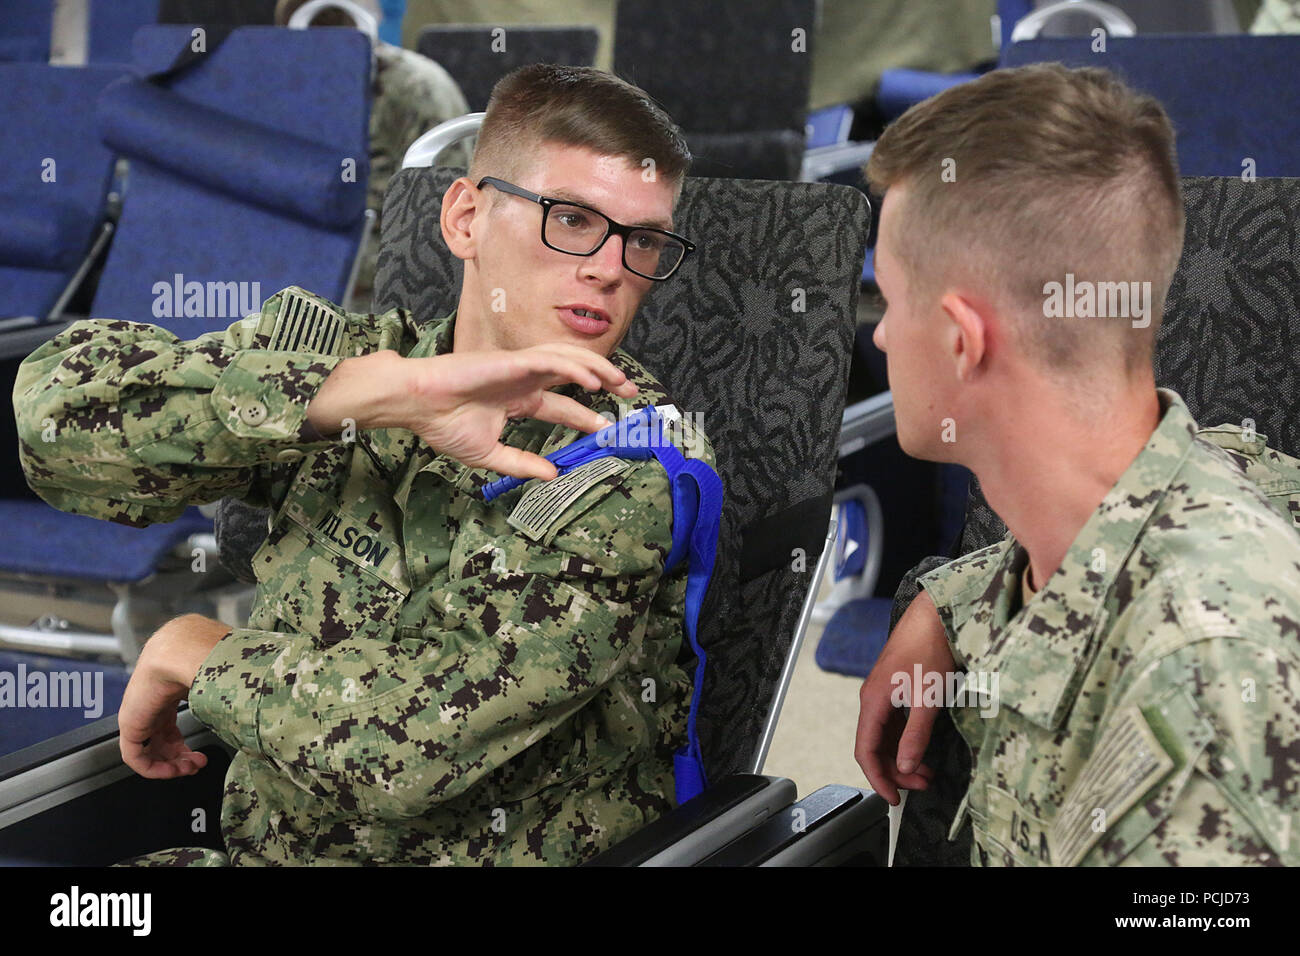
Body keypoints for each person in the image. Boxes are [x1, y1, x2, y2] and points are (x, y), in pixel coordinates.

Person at [14, 64, 710, 866]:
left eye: (644, 239)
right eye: (572, 220)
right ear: (466, 218)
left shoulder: (627, 465)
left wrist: (195, 648)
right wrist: (359, 395)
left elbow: (406, 753)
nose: (610, 266)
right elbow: (55, 425)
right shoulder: (350, 365)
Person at [852, 62, 1300, 866]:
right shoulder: (1073, 542)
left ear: (962, 339)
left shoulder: (1201, 669)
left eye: (888, 300)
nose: (880, 337)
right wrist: (949, 602)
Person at [274, 0, 474, 309]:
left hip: (381, 288)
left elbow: (445, 228)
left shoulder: (416, 89)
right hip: (290, 269)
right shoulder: (272, 84)